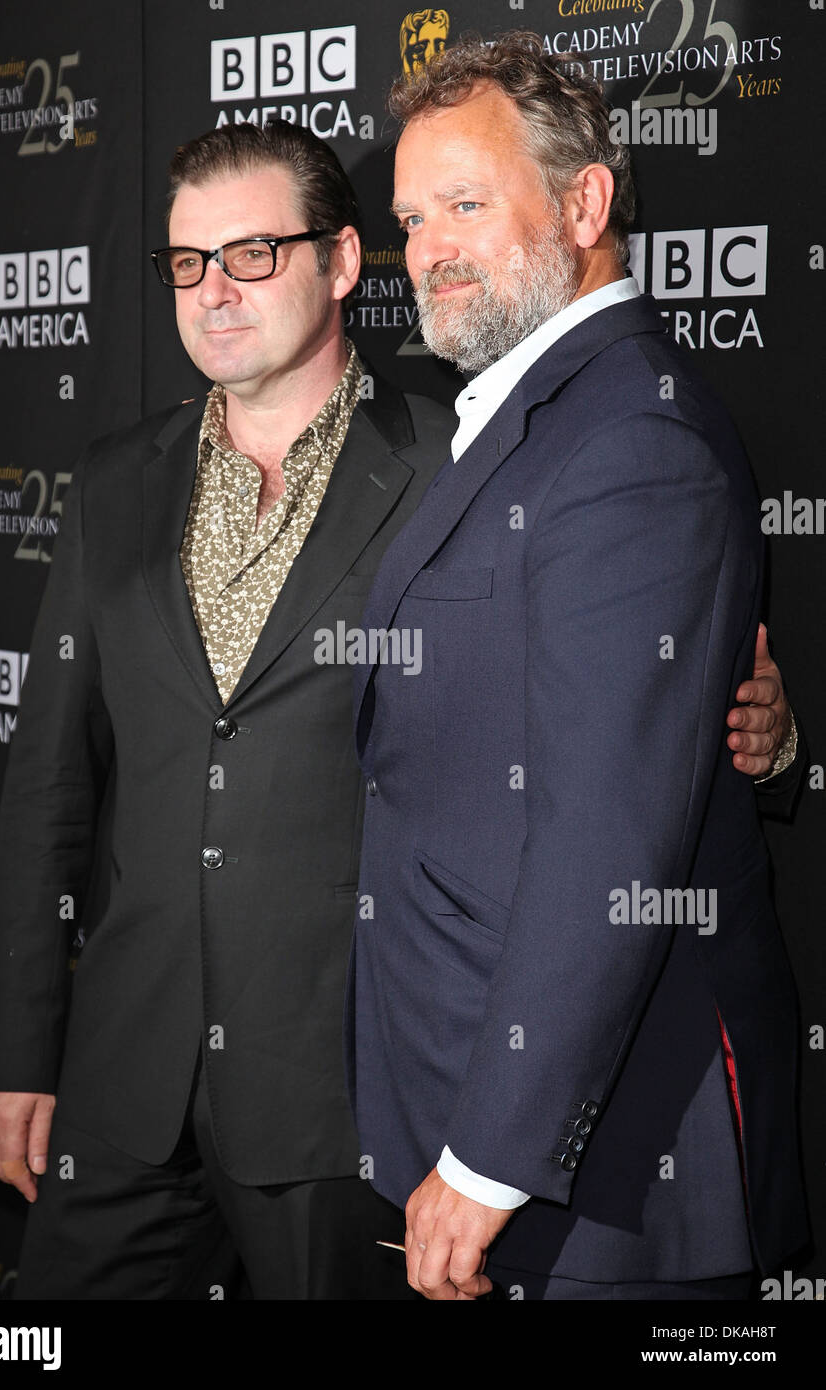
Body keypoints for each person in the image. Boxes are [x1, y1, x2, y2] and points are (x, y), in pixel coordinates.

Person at [0, 116, 792, 1302]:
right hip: (123, 1084)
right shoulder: (111, 483)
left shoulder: (453, 470)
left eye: (252, 254)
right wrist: (10, 1044)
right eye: (188, 264)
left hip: (345, 1095)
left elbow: (603, 737)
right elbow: (46, 781)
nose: (215, 292)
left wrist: (762, 739)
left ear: (343, 265)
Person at [346, 32, 809, 1302]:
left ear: (585, 202)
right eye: (408, 216)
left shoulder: (627, 444)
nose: (426, 244)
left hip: (597, 1162)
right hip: (481, 1092)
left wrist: (492, 1160)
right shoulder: (519, 410)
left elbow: (608, 844)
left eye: (464, 204)